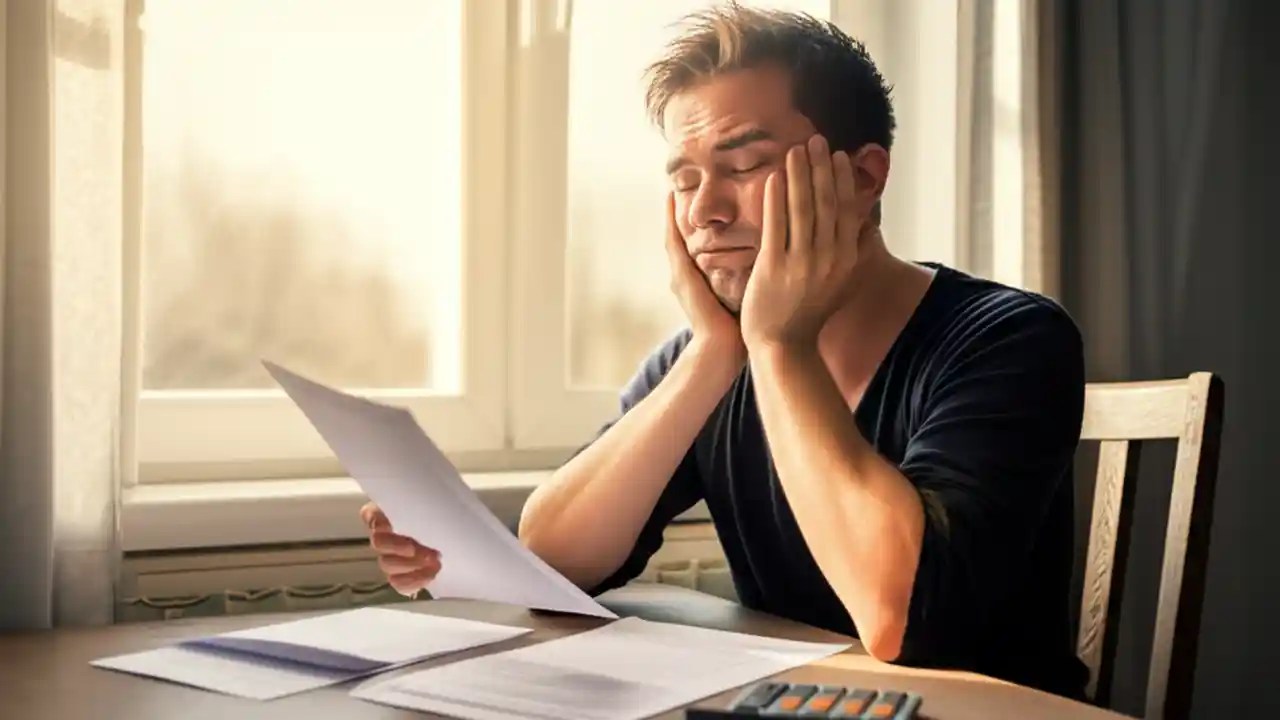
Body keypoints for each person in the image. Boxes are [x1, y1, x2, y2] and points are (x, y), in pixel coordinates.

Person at [362, 3, 1088, 698]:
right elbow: (555, 562)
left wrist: (777, 342)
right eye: (684, 179)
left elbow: (899, 620)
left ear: (863, 178)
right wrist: (715, 352)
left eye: (743, 167)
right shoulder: (710, 360)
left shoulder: (1010, 339)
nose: (705, 210)